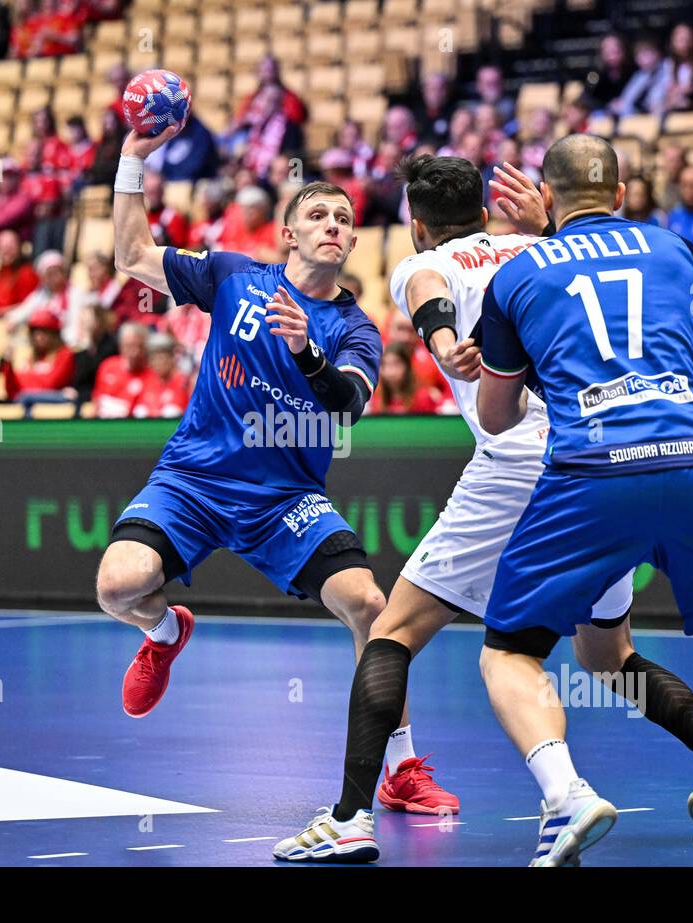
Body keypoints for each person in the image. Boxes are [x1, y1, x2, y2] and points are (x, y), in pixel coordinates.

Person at [275, 153, 693, 864]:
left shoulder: (431, 262)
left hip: (538, 467)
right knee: (607, 655)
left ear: (417, 226)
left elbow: (428, 293)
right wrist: (544, 224)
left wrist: (444, 342)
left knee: (392, 632)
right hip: (618, 449)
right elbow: (652, 309)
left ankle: (352, 819)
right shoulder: (541, 249)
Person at [100, 124, 448, 817]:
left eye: (343, 218)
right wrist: (132, 159)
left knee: (369, 604)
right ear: (289, 234)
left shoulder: (354, 328)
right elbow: (132, 255)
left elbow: (347, 407)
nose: (333, 225)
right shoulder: (233, 276)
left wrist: (307, 353)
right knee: (118, 586)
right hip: (193, 481)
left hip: (284, 498)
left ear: (352, 243)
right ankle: (164, 633)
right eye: (317, 215)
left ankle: (401, 768)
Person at [474, 134, 693, 866]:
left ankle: (567, 796)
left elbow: (496, 415)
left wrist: (533, 362)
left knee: (511, 652)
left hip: (591, 474)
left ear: (547, 199)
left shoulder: (516, 277)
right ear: (619, 194)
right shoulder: (676, 249)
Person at [1, 309, 77, 402]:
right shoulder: (32, 358)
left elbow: (51, 385)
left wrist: (23, 378)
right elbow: (12, 390)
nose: (38, 336)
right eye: (34, 331)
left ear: (54, 334)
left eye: (44, 331)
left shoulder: (65, 354)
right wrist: (8, 366)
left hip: (54, 405)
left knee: (26, 398)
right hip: (29, 404)